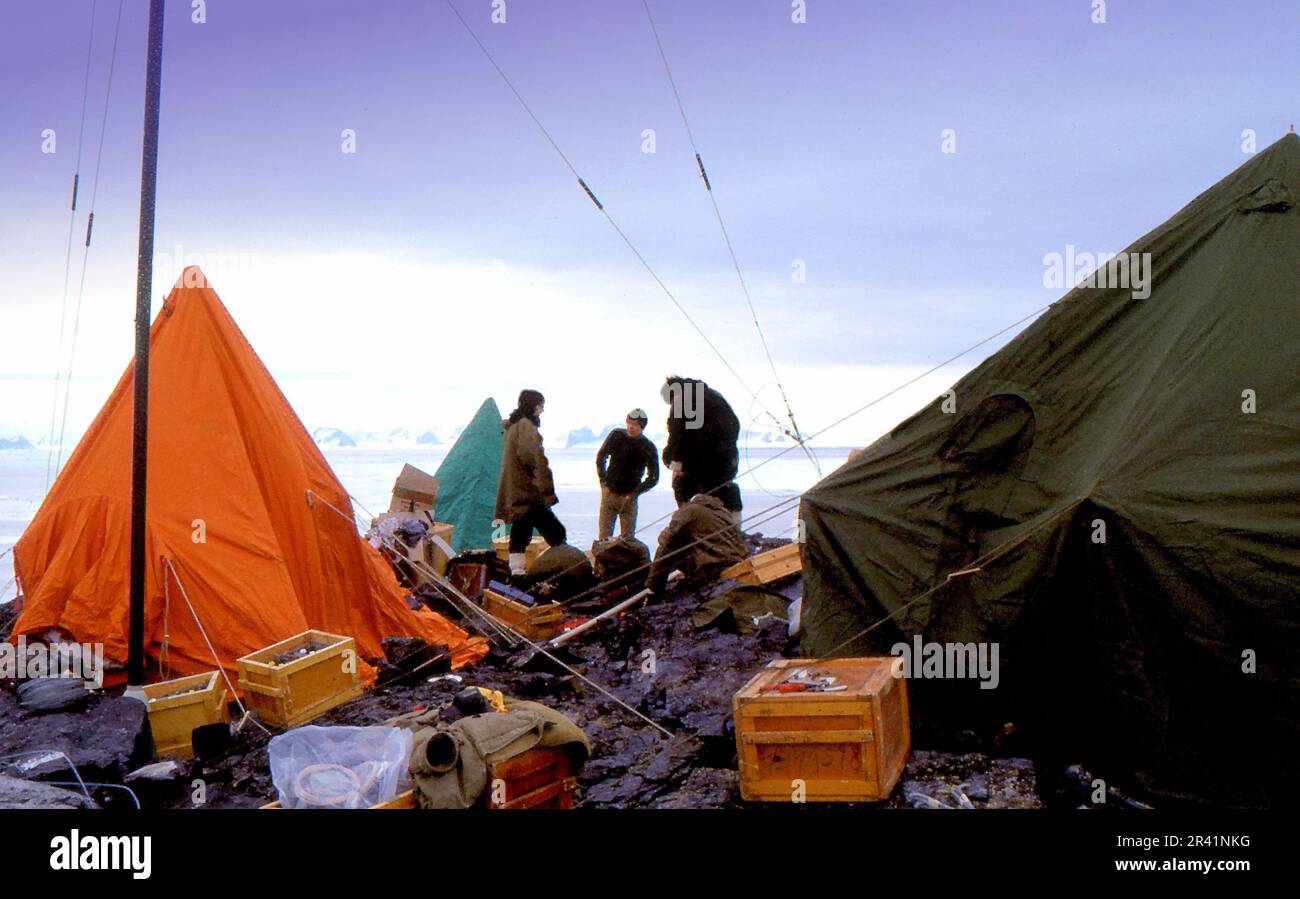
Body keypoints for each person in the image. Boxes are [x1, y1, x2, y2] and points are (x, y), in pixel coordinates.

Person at [494, 389, 566, 578]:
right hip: (529, 491)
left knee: (520, 533)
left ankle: (516, 573)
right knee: (557, 533)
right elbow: (530, 456)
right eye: (541, 405)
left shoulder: (513, 426)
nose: (542, 410)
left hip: (515, 491)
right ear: (534, 406)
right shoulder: (526, 426)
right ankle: (561, 568)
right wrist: (545, 487)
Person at [660, 375, 743, 523]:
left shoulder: (682, 400)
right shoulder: (715, 397)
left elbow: (677, 437)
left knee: (682, 486)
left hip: (702, 463)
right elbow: (734, 425)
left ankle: (690, 527)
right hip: (727, 460)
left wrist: (672, 461)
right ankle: (733, 529)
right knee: (723, 492)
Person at [645, 491, 748, 597]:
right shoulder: (722, 511)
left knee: (666, 549)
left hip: (711, 567)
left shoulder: (690, 510)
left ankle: (654, 590)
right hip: (735, 561)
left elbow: (665, 539)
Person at [595, 408, 659, 539]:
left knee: (627, 538)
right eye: (629, 423)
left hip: (629, 498)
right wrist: (603, 482)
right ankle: (602, 559)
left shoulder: (648, 446)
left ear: (642, 426)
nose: (631, 427)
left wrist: (635, 492)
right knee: (604, 537)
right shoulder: (616, 435)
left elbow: (654, 477)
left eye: (635, 424)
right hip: (610, 492)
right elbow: (601, 456)